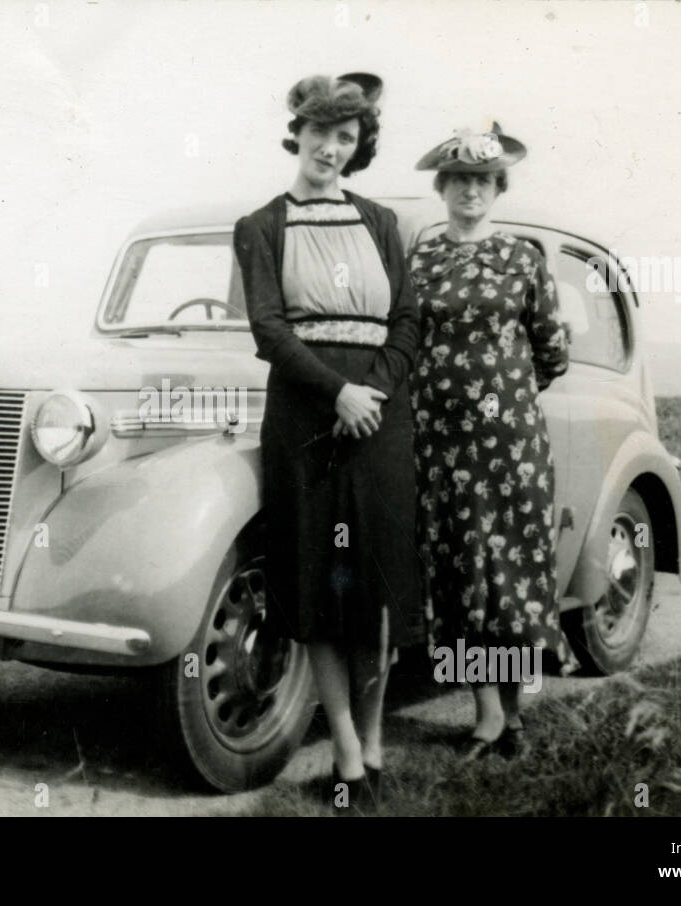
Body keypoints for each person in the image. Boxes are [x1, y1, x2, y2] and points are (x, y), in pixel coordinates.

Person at [232, 73, 419, 809]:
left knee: (376, 587)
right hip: (307, 418)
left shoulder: (380, 222)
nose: (331, 149)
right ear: (298, 132)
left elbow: (408, 321)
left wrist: (370, 389)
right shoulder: (261, 225)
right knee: (320, 584)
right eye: (321, 133)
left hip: (380, 413)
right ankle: (343, 747)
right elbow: (269, 329)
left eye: (347, 139)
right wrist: (335, 392)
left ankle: (374, 738)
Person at [407, 123, 573, 760]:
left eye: (481, 180)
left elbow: (552, 349)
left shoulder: (521, 259)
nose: (469, 190)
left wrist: (502, 395)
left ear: (497, 188)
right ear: (442, 188)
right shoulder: (420, 260)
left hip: (510, 448)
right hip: (440, 448)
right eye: (458, 180)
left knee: (510, 576)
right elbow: (407, 342)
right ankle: (483, 717)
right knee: (454, 575)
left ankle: (515, 712)